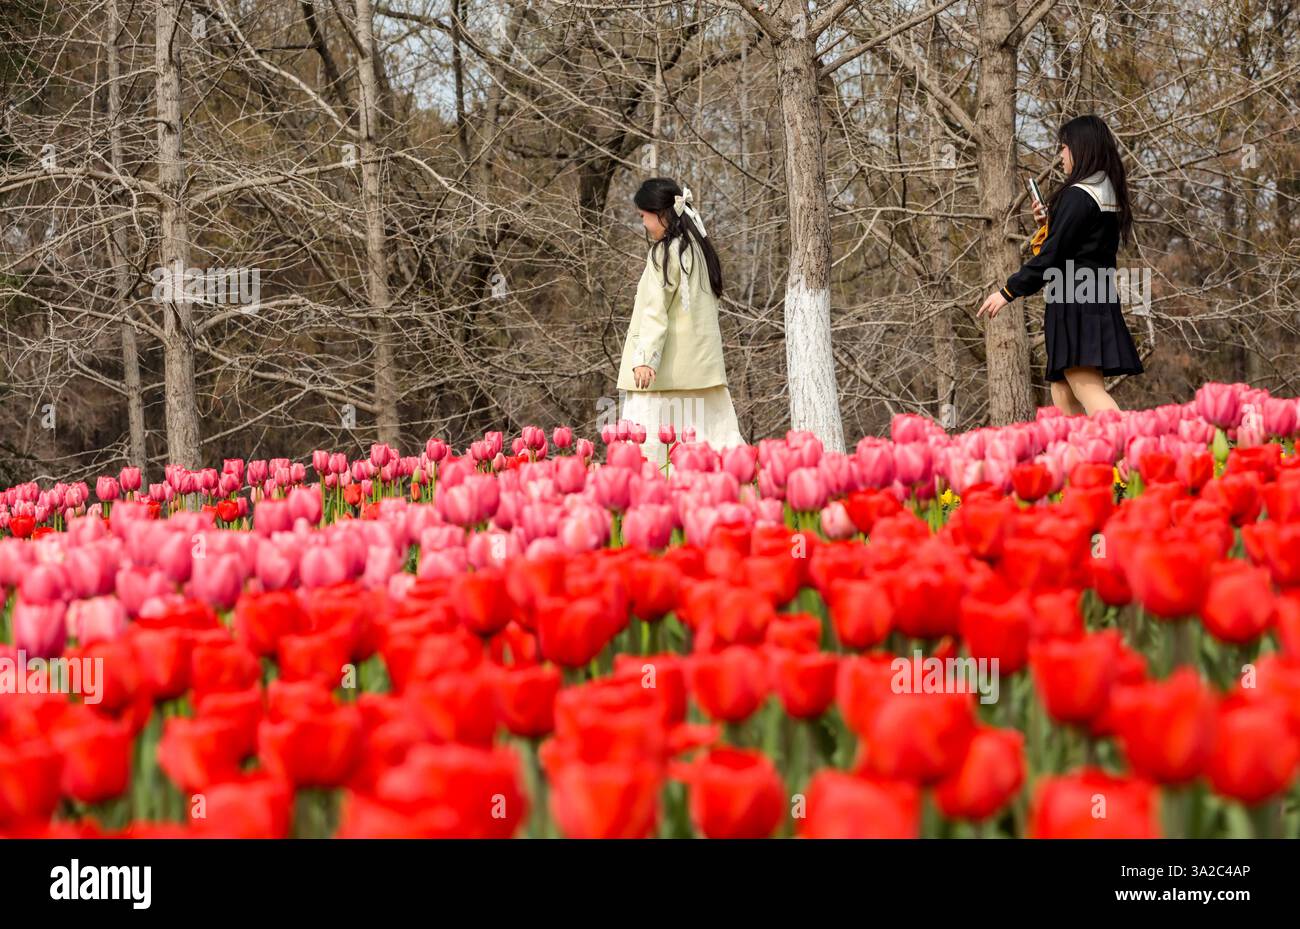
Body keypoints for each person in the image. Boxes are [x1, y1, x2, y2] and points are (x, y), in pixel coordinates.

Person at [976, 114, 1144, 415]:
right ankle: (1085, 459)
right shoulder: (1105, 190)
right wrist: (1050, 224)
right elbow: (1076, 245)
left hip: (1075, 300)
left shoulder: (1079, 194)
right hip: (1091, 296)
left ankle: (1127, 451)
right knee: (1064, 389)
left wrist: (1007, 291)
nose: (1061, 155)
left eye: (1063, 147)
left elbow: (1053, 256)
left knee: (1084, 385)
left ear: (1080, 148)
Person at [617, 178, 745, 461]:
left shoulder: (664, 254)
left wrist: (645, 359)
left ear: (661, 213)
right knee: (712, 444)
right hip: (703, 373)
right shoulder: (700, 250)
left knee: (654, 450)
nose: (643, 224)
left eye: (643, 216)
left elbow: (654, 310)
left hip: (665, 376)